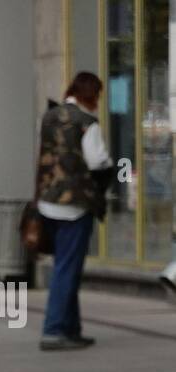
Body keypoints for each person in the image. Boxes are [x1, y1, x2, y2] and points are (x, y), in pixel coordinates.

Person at [35, 72, 113, 351]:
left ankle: (71, 328)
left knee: (65, 266)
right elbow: (97, 160)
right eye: (98, 96)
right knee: (67, 269)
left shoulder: (49, 116)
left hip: (46, 202)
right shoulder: (86, 122)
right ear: (91, 95)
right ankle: (54, 330)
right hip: (74, 206)